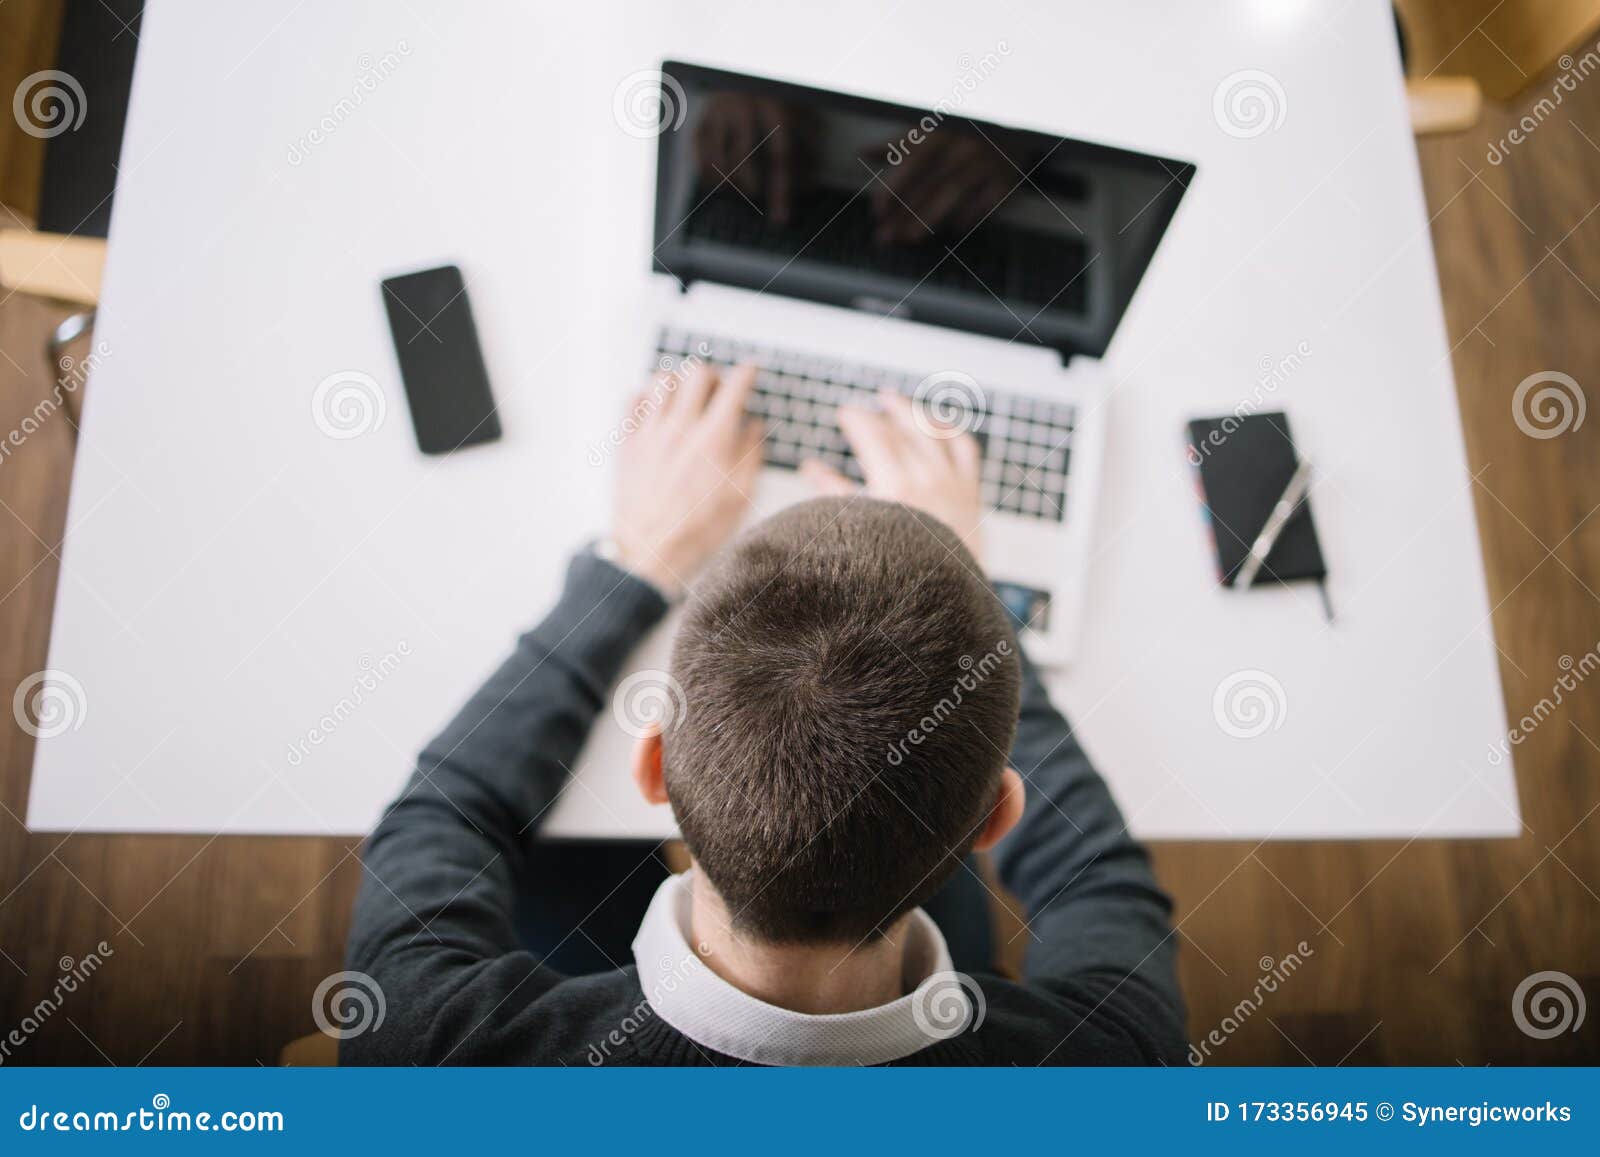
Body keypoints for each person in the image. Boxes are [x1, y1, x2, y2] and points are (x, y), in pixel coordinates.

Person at [343, 362, 1186, 1065]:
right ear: (998, 815)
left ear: (654, 765)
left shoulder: (433, 1046)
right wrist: (965, 607)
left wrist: (631, 567)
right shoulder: (1112, 1063)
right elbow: (1101, 883)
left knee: (558, 858)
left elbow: (441, 816)